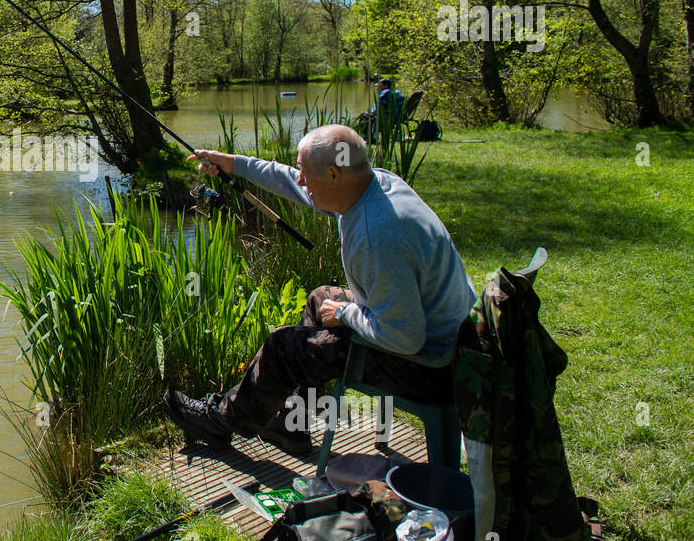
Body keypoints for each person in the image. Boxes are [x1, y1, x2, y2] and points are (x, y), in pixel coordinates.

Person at [162, 124, 476, 455]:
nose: (299, 180)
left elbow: (405, 338)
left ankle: (220, 420)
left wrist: (346, 313)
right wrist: (233, 162)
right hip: (438, 331)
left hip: (431, 366)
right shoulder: (375, 184)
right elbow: (289, 181)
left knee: (283, 347)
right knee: (318, 300)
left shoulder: (377, 236)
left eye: (305, 173)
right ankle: (290, 420)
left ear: (333, 175)